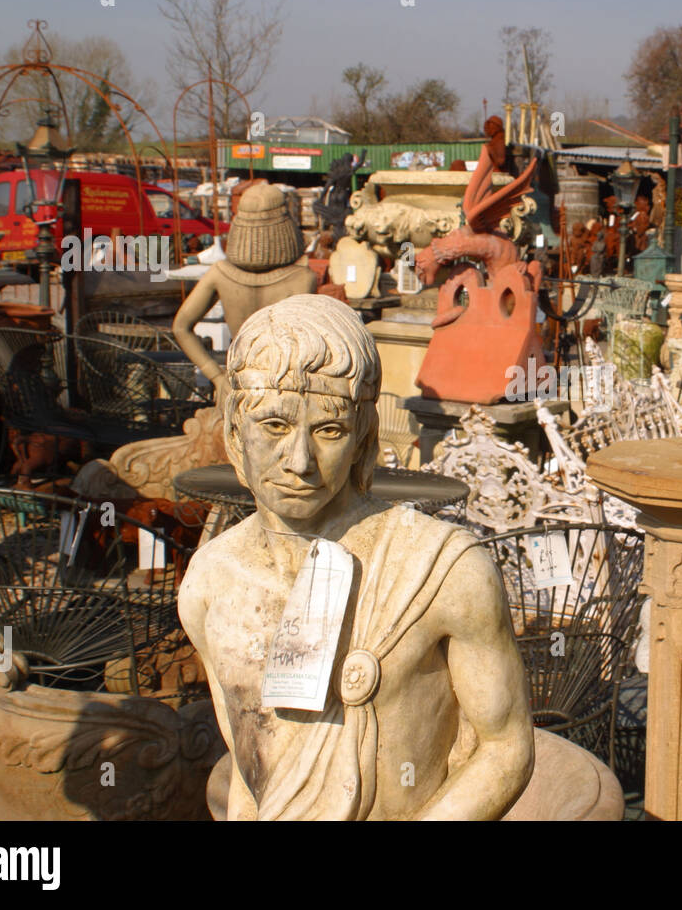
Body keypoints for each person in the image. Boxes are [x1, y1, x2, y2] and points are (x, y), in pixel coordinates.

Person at [178, 294, 534, 819]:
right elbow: (251, 769)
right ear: (235, 430)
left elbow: (505, 747)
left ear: (363, 437)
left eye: (329, 431)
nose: (299, 461)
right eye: (274, 426)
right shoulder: (208, 584)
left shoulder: (443, 570)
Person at [172, 183, 316, 402]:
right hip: (283, 390)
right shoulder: (303, 278)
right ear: (286, 227)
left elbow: (180, 327)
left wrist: (216, 376)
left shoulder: (219, 273)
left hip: (236, 383)